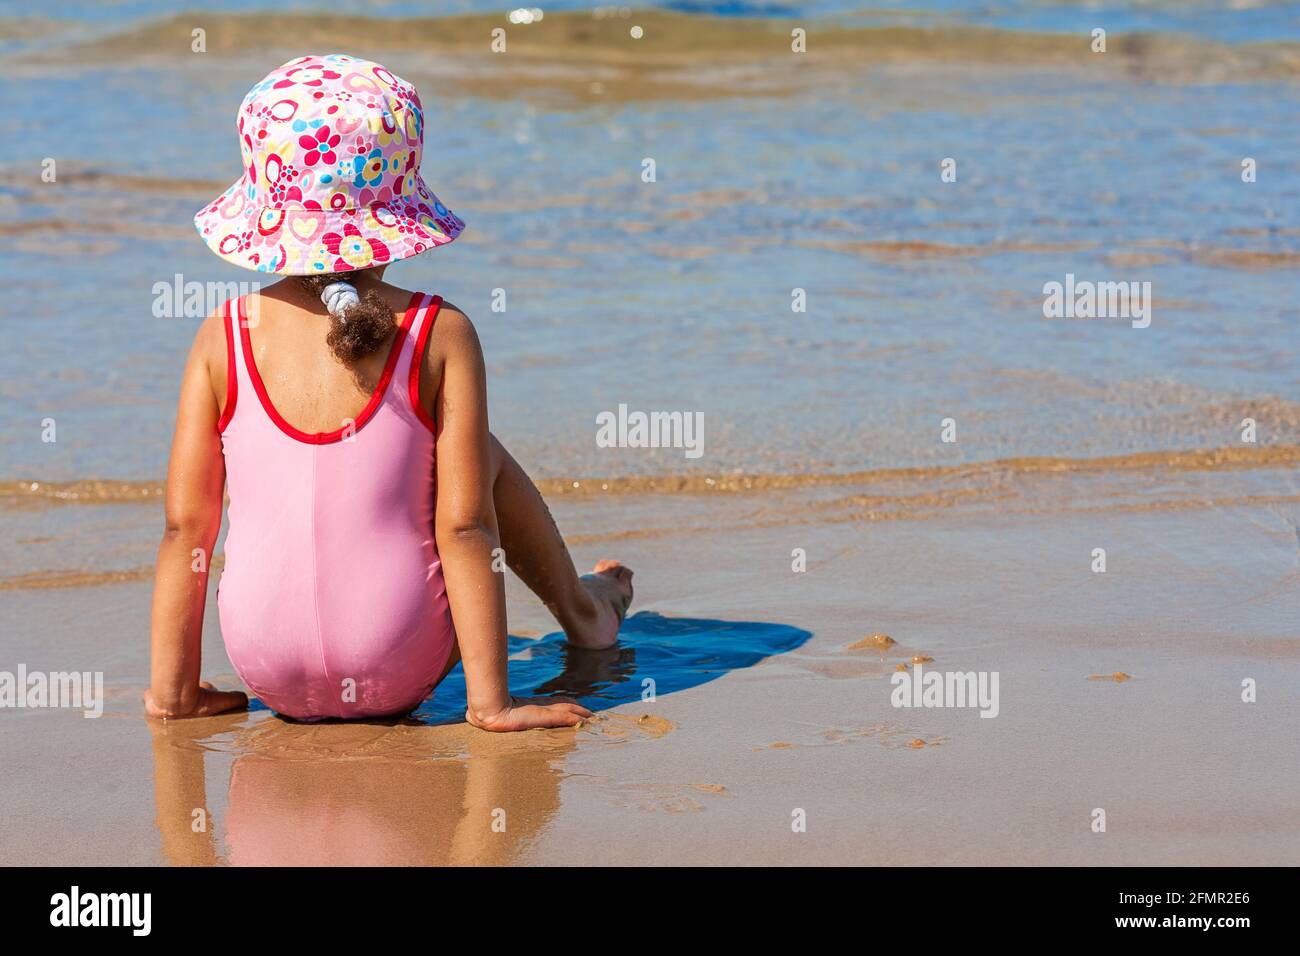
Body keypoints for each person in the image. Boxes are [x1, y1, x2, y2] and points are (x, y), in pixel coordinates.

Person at [145, 54, 633, 731]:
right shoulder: (439, 331)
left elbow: (184, 529)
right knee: (473, 456)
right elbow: (464, 527)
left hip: (267, 668)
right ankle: (586, 615)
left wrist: (175, 696)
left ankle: (587, 609)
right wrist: (492, 704)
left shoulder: (221, 335)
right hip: (396, 661)